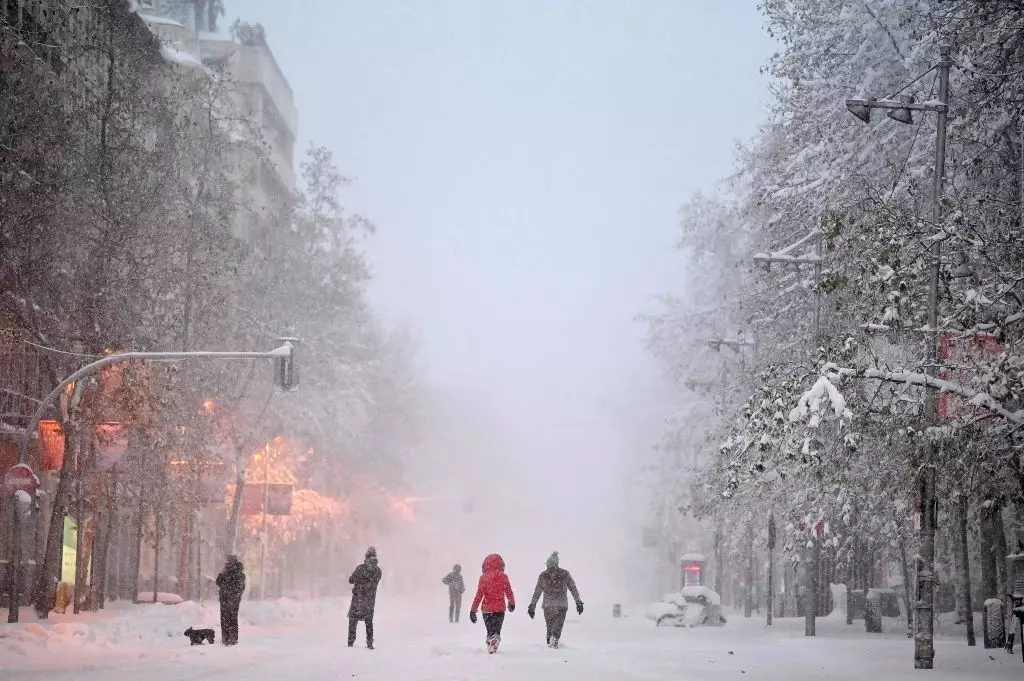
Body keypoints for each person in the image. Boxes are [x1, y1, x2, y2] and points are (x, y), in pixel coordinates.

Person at [527, 552, 583, 649]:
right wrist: (578, 601)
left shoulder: (543, 575)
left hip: (548, 605)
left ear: (549, 564)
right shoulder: (565, 574)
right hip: (562, 605)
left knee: (550, 625)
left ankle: (550, 641)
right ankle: (555, 639)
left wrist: (533, 605)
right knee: (558, 625)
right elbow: (573, 588)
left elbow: (537, 591)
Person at [469, 553, 515, 654]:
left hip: (487, 610)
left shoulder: (483, 578)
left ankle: (490, 643)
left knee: (490, 630)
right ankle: (494, 642)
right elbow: (509, 591)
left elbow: (479, 595)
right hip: (499, 610)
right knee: (497, 630)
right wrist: (512, 603)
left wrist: (473, 610)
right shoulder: (503, 577)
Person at [348, 546, 383, 649]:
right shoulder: (378, 571)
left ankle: (350, 642)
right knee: (368, 622)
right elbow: (375, 582)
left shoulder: (360, 568)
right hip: (370, 601)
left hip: (358, 599)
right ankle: (369, 643)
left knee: (353, 620)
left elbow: (351, 580)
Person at [216, 555, 246, 646]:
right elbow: (218, 582)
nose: (226, 564)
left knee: (228, 619)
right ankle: (229, 639)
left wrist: (229, 594)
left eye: (228, 562)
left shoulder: (236, 573)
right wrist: (221, 573)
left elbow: (238, 587)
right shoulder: (231, 572)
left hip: (230, 600)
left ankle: (229, 639)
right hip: (229, 600)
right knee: (229, 619)